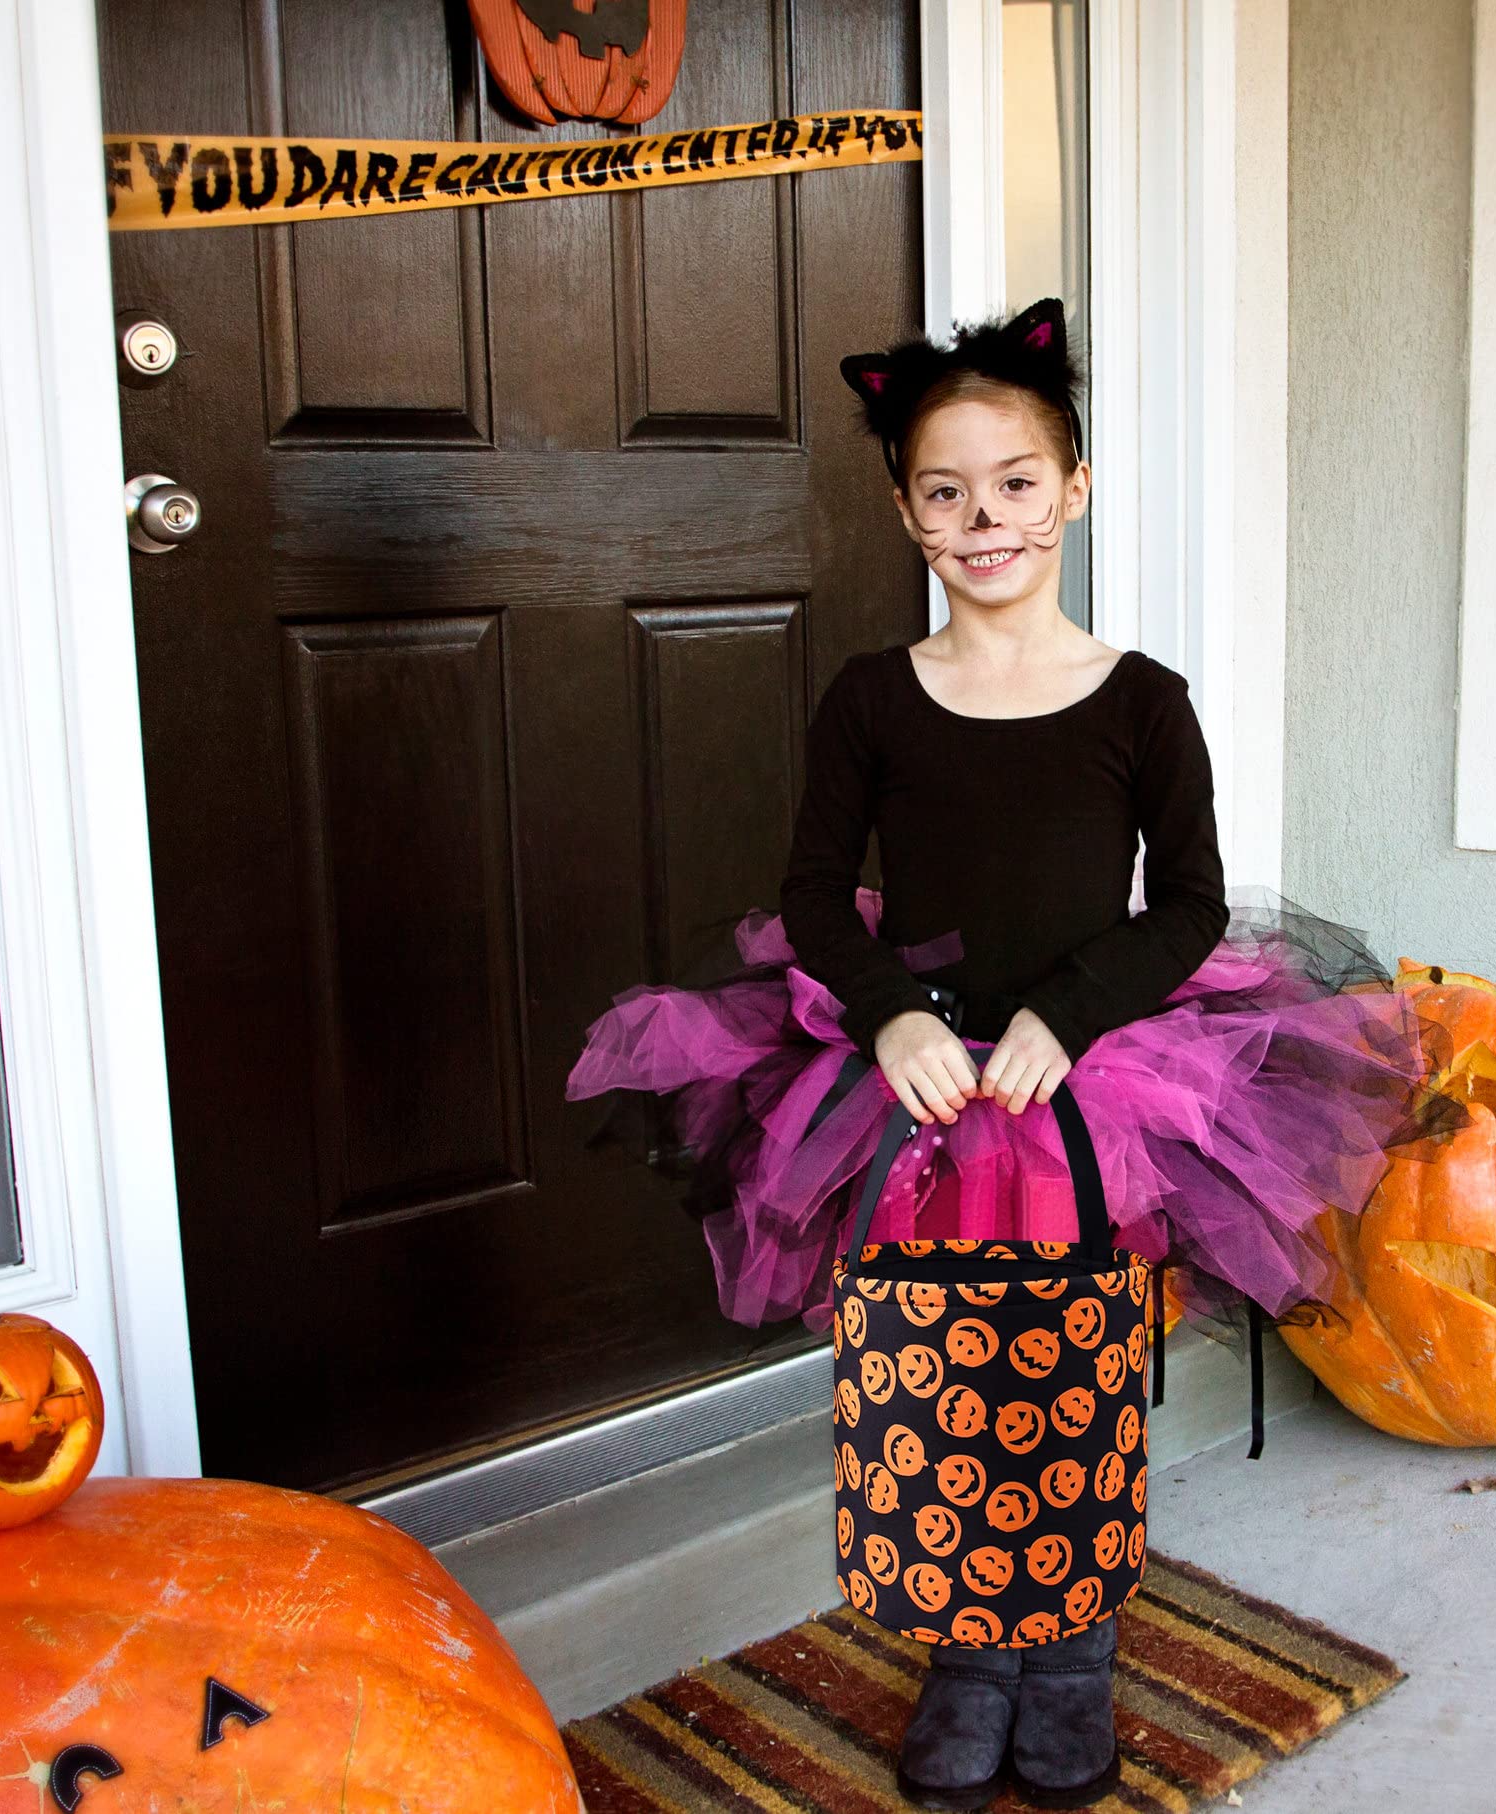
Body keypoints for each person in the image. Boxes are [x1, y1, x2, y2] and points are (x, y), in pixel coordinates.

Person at [566, 297, 1447, 1809]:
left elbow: (1180, 905)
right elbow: (806, 894)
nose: (985, 519)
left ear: (1074, 488)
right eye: (946, 490)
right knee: (925, 1371)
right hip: (909, 1091)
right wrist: (896, 1015)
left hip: (1088, 1085)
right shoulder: (871, 697)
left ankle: (1070, 1645)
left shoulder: (1140, 704)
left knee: (1068, 1371)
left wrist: (1070, 1012)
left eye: (1016, 482)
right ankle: (966, 1651)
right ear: (905, 509)